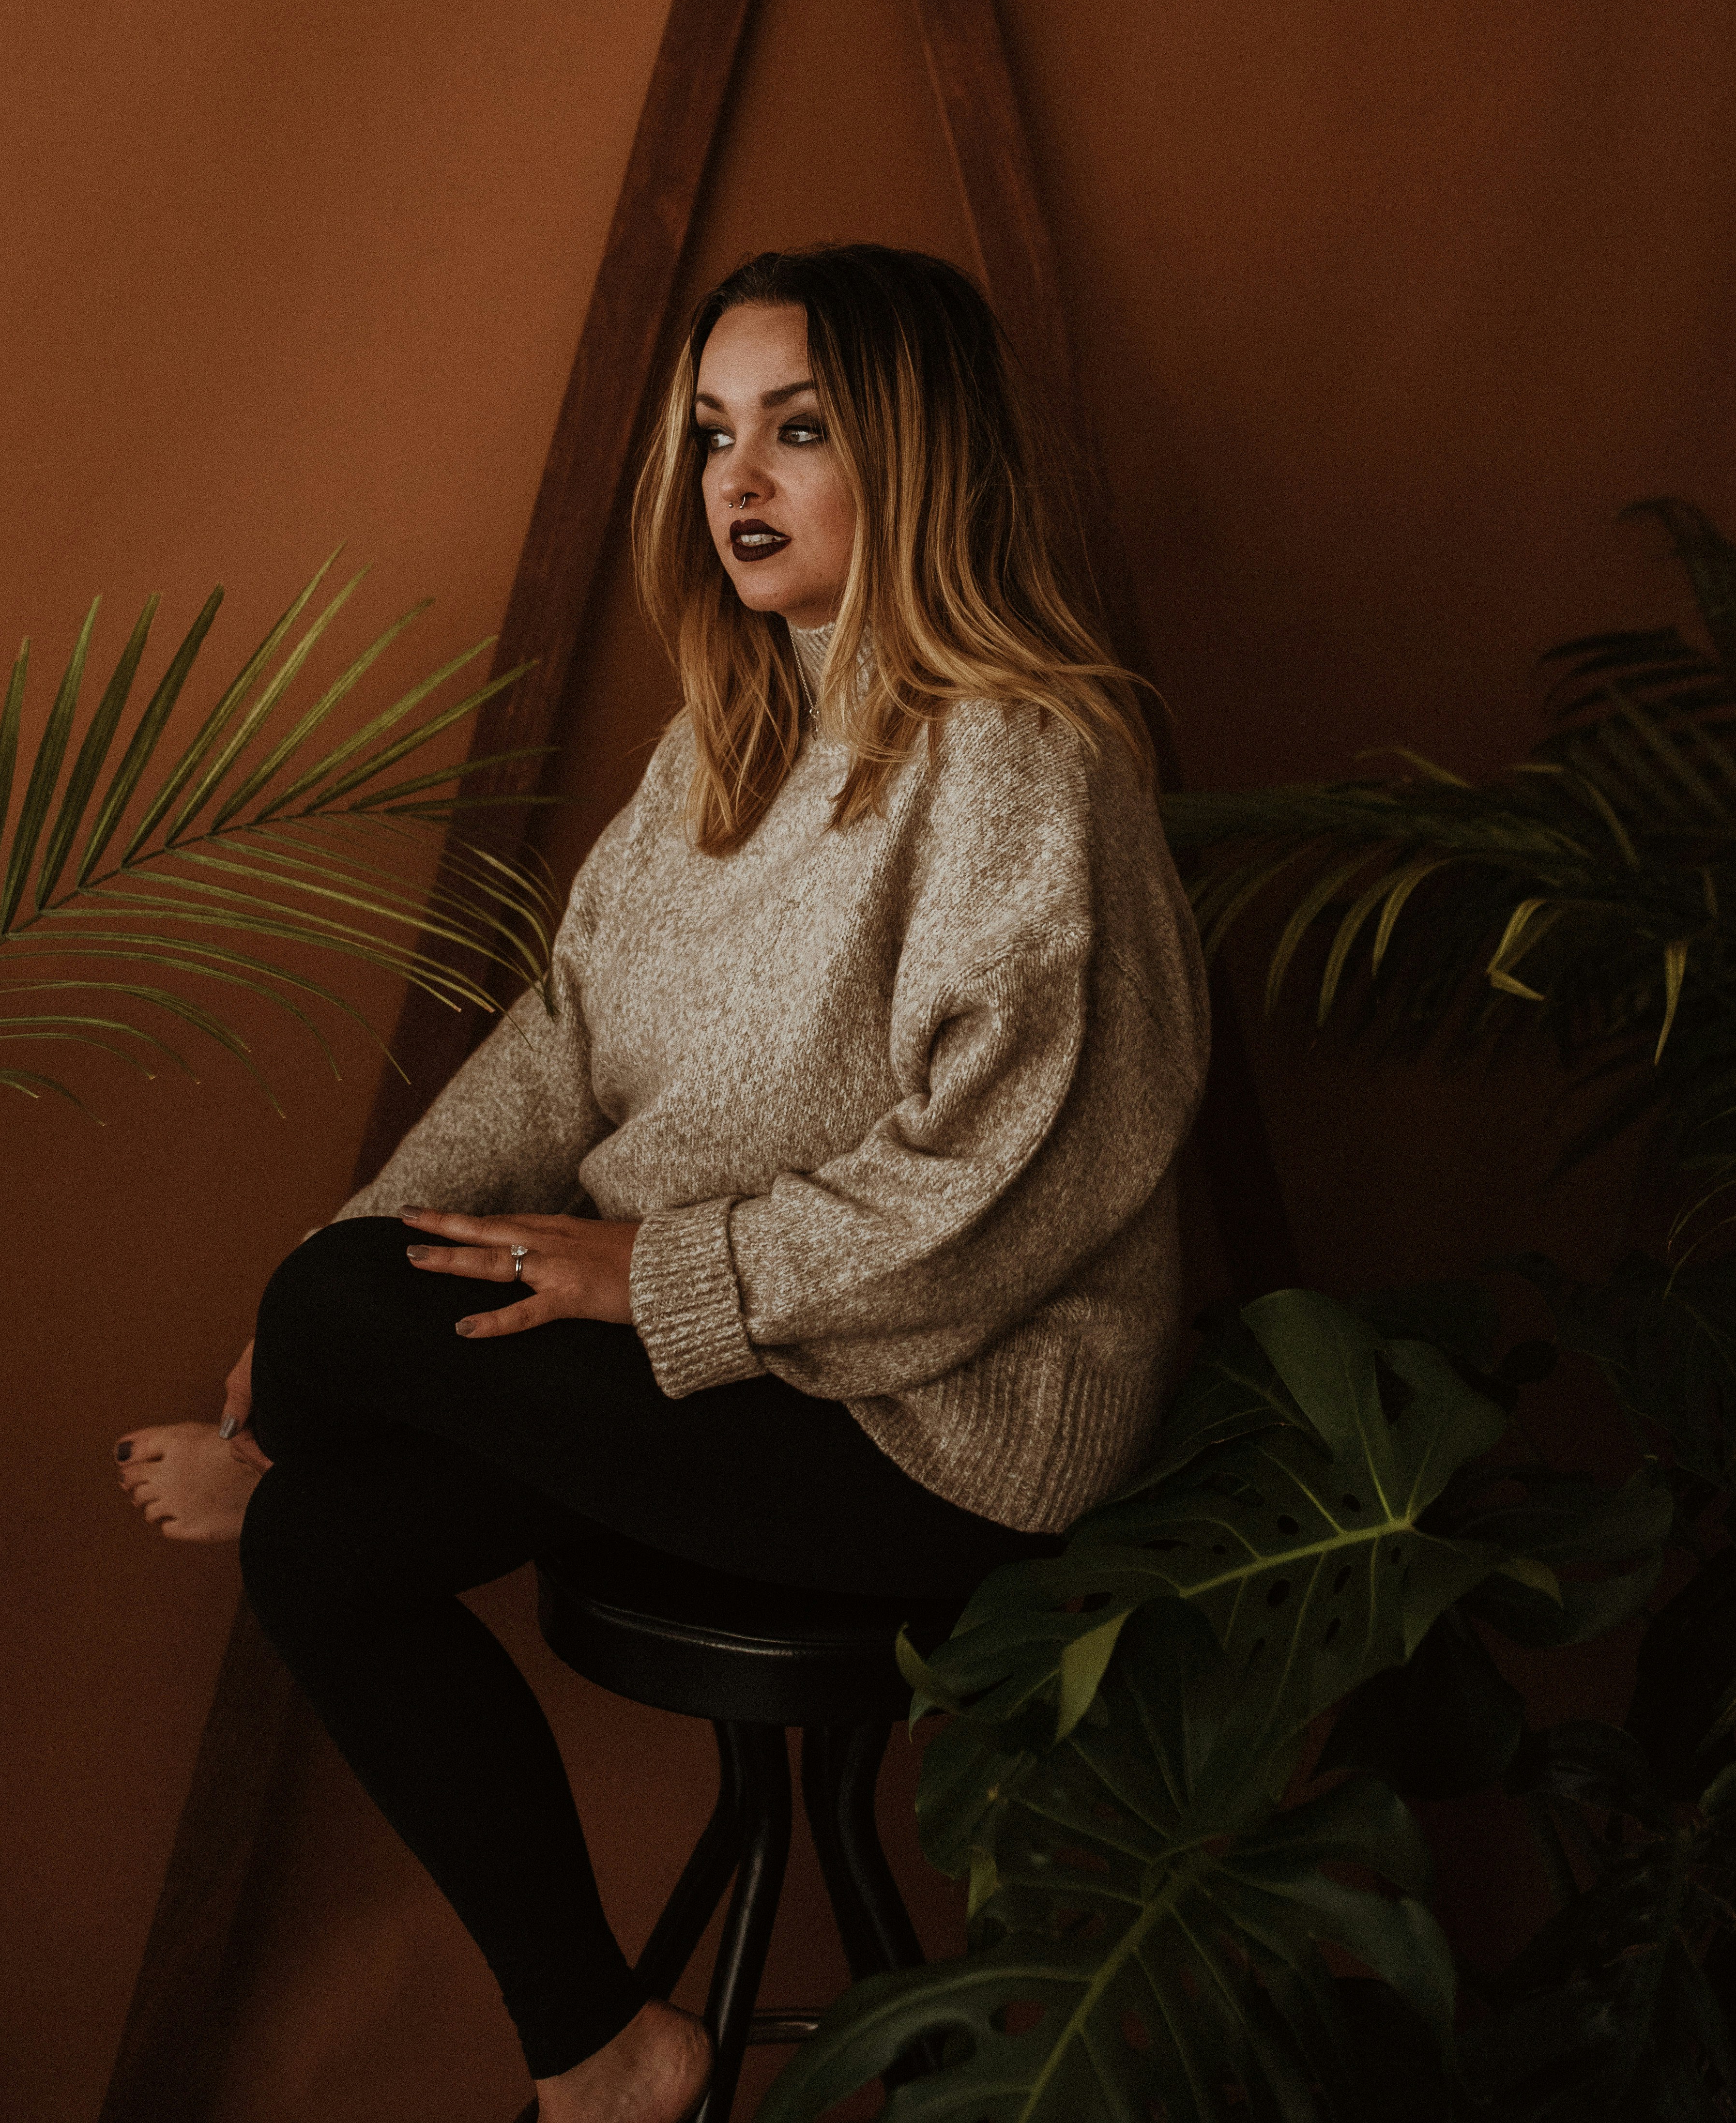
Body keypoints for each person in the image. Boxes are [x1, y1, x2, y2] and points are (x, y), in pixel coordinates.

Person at [115, 243, 1208, 2123]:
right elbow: (557, 1040)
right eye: (714, 434)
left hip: (929, 1420)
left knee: (326, 1332)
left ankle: (284, 1435)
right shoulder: (727, 731)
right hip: (745, 1369)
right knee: (324, 1519)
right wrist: (360, 1279)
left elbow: (999, 1187)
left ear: (921, 463)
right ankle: (604, 2051)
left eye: (798, 431)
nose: (736, 481)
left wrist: (651, 1281)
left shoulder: (1021, 756)